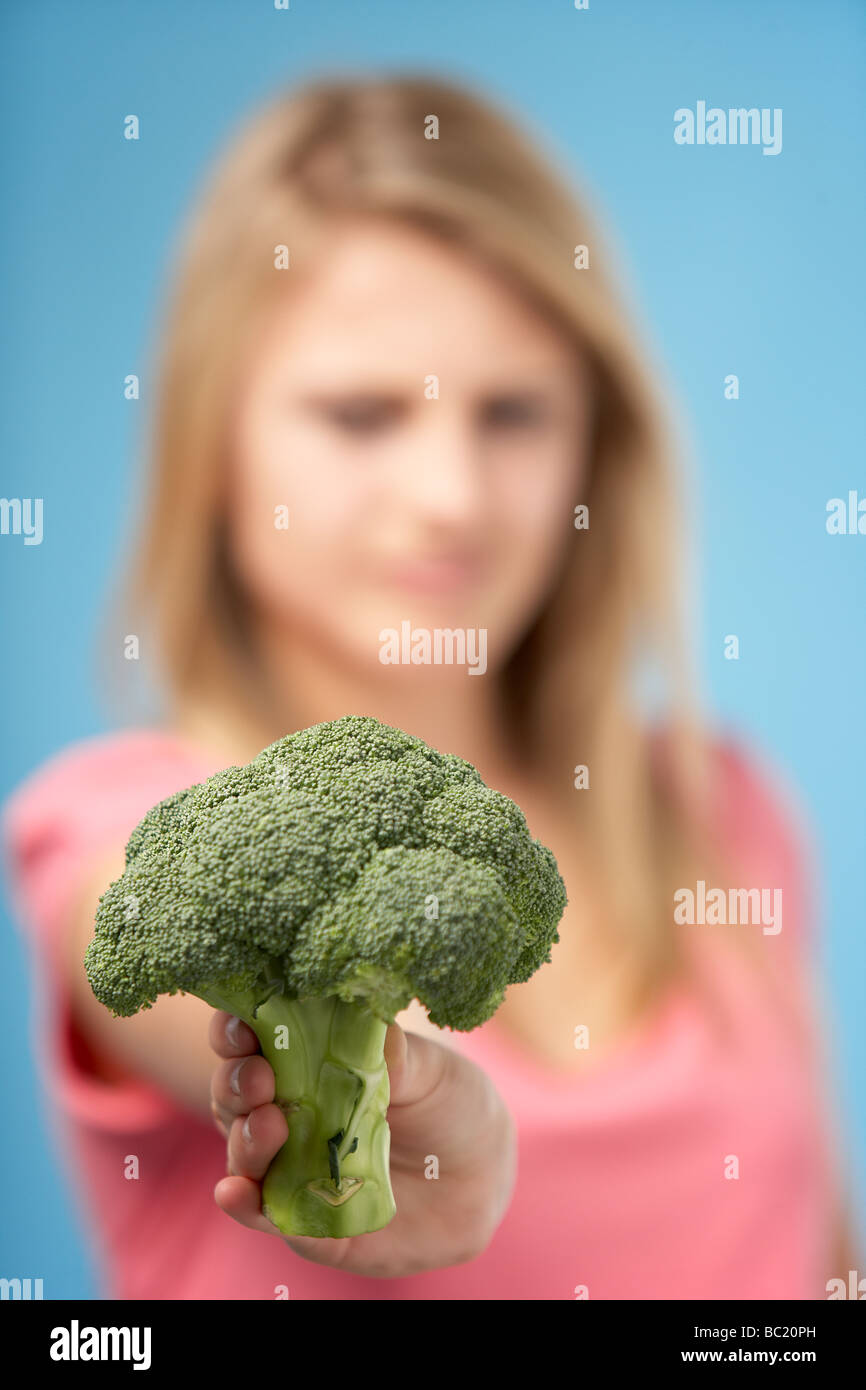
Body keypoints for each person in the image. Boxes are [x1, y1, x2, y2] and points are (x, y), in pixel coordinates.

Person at [3, 74, 858, 1300]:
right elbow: (142, 949)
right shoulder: (113, 826)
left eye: (513, 412)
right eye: (361, 415)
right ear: (214, 444)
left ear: (591, 446)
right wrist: (423, 1118)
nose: (451, 496)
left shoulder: (722, 810)